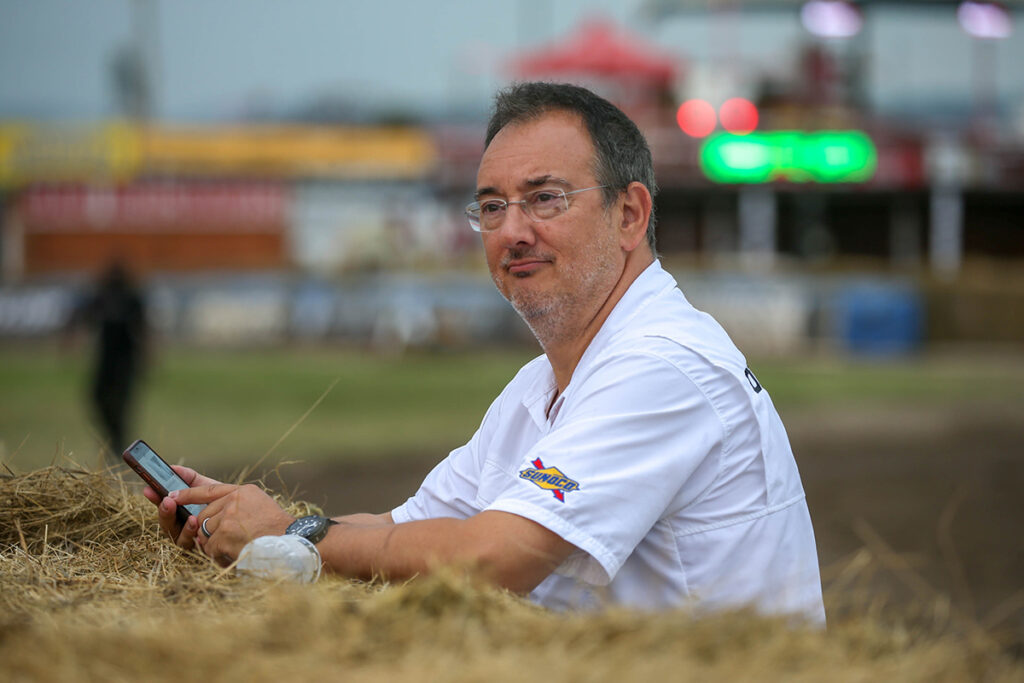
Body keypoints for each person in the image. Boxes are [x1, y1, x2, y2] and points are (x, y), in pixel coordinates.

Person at [148, 82, 825, 623]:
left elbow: (496, 557)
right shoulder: (539, 386)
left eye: (545, 199)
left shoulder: (663, 364)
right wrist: (241, 522)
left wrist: (293, 537)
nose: (512, 231)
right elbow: (406, 528)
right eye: (492, 207)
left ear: (629, 215)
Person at [67, 259, 149, 464]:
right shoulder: (102, 297)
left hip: (126, 362)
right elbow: (82, 317)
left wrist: (148, 357)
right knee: (99, 399)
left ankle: (118, 445)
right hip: (106, 361)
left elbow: (143, 328)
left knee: (121, 405)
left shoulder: (132, 299)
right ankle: (113, 440)